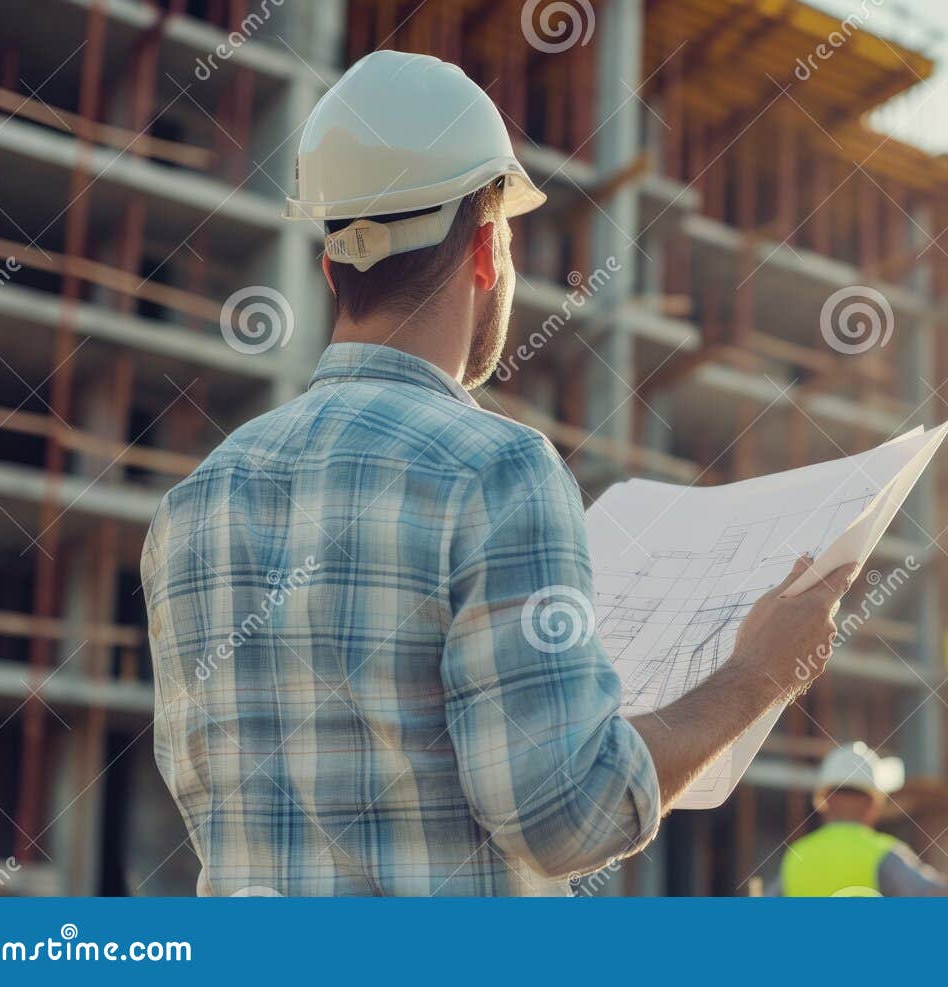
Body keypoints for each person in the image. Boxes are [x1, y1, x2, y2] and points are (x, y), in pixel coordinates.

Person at [139, 51, 855, 896]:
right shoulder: (496, 471)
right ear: (487, 251)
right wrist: (756, 675)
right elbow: (567, 813)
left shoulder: (192, 507)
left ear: (333, 268)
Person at [773, 742, 948, 897]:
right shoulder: (884, 853)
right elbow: (934, 896)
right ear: (873, 806)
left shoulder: (796, 856)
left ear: (824, 802)